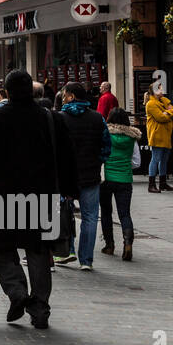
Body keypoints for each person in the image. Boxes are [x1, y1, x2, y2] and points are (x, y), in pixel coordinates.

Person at [0, 70, 76, 329]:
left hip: (1, 197)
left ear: (6, 92)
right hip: (42, 196)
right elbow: (66, 158)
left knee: (4, 249)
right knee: (39, 252)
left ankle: (17, 292)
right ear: (31, 90)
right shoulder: (51, 119)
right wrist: (69, 191)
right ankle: (40, 307)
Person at [59, 82, 111, 271]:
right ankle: (86, 260)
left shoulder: (60, 118)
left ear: (71, 96)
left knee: (65, 213)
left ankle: (68, 250)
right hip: (90, 174)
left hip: (66, 176)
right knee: (90, 217)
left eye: (65, 94)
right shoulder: (97, 118)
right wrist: (98, 161)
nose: (63, 97)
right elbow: (106, 145)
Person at [101, 107, 140, 260]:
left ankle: (109, 245)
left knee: (105, 212)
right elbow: (137, 162)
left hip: (106, 178)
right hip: (124, 179)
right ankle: (128, 242)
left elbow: (100, 154)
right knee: (124, 213)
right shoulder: (132, 137)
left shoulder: (105, 134)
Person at [145, 87, 173, 192]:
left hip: (166, 134)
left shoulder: (164, 100)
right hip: (157, 134)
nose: (162, 91)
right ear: (154, 92)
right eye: (160, 89)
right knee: (155, 159)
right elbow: (161, 118)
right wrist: (168, 113)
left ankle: (162, 183)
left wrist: (167, 113)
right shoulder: (151, 103)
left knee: (164, 160)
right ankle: (151, 185)